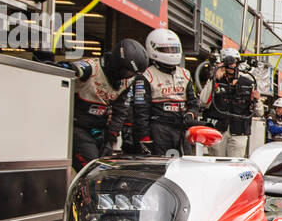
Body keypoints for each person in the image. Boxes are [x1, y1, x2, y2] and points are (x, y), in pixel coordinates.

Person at [38, 39, 148, 170]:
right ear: (118, 63)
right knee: (93, 171)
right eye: (128, 72)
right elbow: (69, 68)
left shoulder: (127, 82)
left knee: (105, 169)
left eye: (132, 74)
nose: (128, 77)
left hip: (99, 130)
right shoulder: (91, 68)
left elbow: (120, 111)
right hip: (75, 127)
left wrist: (110, 139)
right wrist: (51, 65)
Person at [131, 27, 199, 156]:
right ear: (153, 49)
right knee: (161, 166)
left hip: (181, 128)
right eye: (166, 49)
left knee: (186, 164)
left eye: (174, 49)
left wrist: (191, 114)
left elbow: (194, 102)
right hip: (158, 129)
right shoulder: (146, 76)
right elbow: (141, 111)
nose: (171, 53)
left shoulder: (185, 74)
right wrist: (145, 137)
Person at [200, 46, 259, 157]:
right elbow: (203, 101)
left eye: (234, 62)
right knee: (216, 164)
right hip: (218, 129)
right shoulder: (215, 80)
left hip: (239, 130)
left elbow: (259, 112)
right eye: (228, 62)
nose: (231, 65)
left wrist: (257, 100)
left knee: (235, 165)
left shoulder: (248, 82)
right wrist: (214, 79)